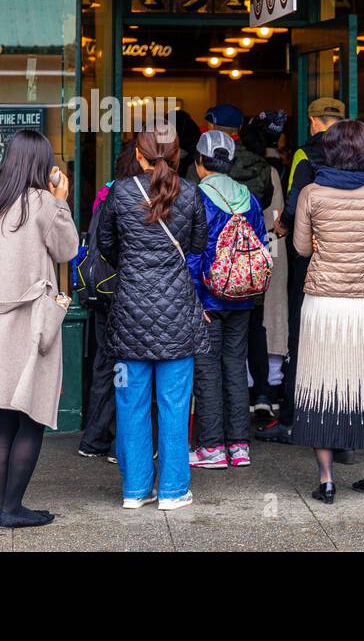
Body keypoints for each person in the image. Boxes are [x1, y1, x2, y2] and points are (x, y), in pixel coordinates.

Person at [97, 127, 207, 510]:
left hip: (129, 313)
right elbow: (197, 245)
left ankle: (135, 489)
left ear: (139, 156)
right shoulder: (191, 193)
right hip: (177, 314)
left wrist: (132, 267)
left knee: (130, 402)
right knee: (175, 405)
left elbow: (105, 244)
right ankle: (174, 491)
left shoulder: (120, 193)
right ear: (177, 156)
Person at [0, 130, 78, 528]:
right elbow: (69, 250)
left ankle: (3, 505)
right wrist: (61, 202)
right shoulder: (44, 205)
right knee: (32, 417)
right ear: (43, 166)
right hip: (33, 324)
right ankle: (12, 509)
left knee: (7, 418)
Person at [291, 119, 364, 501]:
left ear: (329, 151)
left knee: (320, 383)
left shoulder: (312, 194)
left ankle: (327, 481)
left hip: (324, 300)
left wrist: (321, 240)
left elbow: (301, 249)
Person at [258, 96, 346, 445]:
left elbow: (295, 202)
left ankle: (294, 416)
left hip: (309, 258)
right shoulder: (357, 153)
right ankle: (340, 420)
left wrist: (282, 227)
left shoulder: (305, 154)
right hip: (349, 261)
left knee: (301, 335)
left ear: (313, 122)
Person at [187, 129, 269, 469]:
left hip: (208, 298)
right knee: (237, 366)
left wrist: (192, 296)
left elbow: (193, 252)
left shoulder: (195, 196)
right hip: (244, 295)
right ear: (231, 162)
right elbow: (261, 241)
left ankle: (210, 448)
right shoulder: (249, 197)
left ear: (200, 162)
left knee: (207, 369)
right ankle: (239, 446)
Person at [78, 139, 142, 461]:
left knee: (105, 363)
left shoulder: (105, 190)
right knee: (130, 366)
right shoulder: (134, 196)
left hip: (101, 288)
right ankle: (122, 445)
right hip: (126, 288)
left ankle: (93, 438)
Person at [240, 115, 288, 415]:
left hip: (235, 254)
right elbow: (276, 219)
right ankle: (268, 390)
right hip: (270, 248)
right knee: (271, 317)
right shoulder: (272, 171)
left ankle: (247, 389)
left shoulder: (229, 171)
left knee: (244, 323)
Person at [204, 104, 272, 209]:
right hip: (249, 223)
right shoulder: (260, 164)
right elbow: (266, 201)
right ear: (240, 127)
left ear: (212, 127)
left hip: (214, 224)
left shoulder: (203, 163)